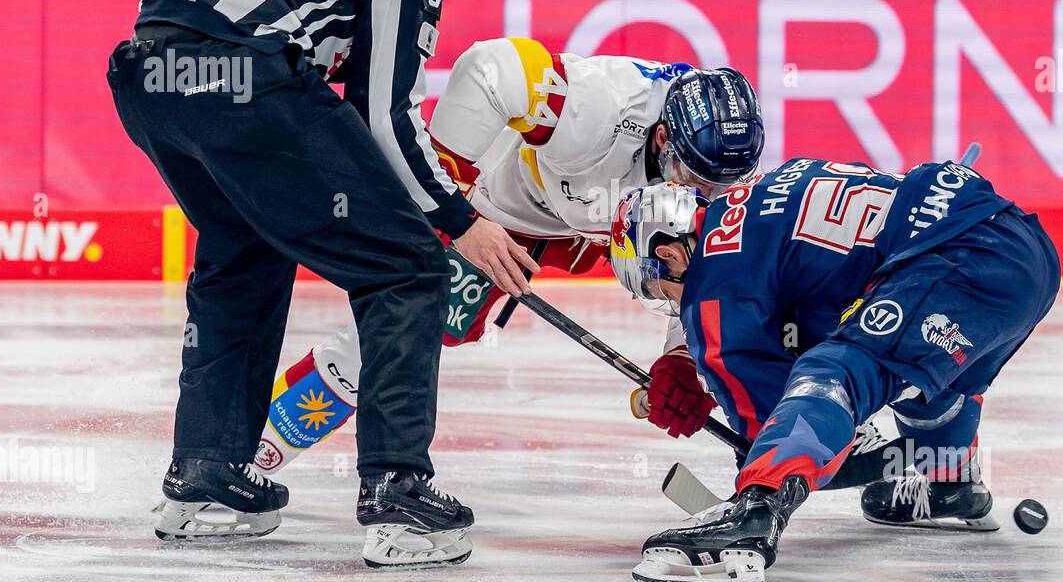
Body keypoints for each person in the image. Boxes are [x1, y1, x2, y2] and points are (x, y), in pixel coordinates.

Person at [107, 0, 534, 568]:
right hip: (241, 81)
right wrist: (457, 220)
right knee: (407, 267)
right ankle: (397, 488)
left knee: (243, 251)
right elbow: (384, 112)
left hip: (148, 74)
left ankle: (205, 472)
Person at [254, 50, 766, 474]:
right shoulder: (601, 105)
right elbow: (488, 69)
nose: (708, 196)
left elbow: (712, 276)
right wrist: (440, 201)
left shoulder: (718, 173)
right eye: (695, 178)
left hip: (601, 235)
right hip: (509, 216)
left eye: (723, 186)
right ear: (661, 138)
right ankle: (261, 448)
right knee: (412, 322)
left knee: (738, 280)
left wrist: (682, 356)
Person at [608, 157, 1061, 582]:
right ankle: (949, 478)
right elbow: (833, 279)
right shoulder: (764, 193)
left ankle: (756, 516)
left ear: (669, 254)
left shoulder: (713, 284)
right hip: (1023, 251)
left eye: (654, 283)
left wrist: (759, 470)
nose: (668, 297)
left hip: (961, 261)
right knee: (922, 369)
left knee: (835, 370)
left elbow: (766, 416)